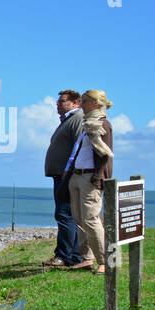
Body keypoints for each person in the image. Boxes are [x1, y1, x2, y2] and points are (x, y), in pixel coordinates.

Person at [63, 89, 115, 274]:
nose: (81, 104)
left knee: (91, 219)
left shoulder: (103, 124)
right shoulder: (86, 124)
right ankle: (87, 258)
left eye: (85, 101)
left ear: (95, 103)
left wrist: (98, 177)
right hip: (77, 175)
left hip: (90, 177)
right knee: (78, 218)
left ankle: (105, 261)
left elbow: (105, 154)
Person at [43, 90, 84, 267]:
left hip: (67, 176)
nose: (58, 104)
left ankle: (65, 256)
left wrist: (70, 174)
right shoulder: (68, 120)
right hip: (62, 175)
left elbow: (78, 147)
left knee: (65, 214)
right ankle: (70, 254)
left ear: (75, 103)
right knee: (66, 215)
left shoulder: (77, 119)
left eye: (62, 101)